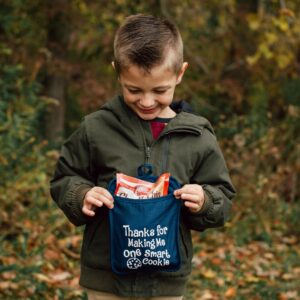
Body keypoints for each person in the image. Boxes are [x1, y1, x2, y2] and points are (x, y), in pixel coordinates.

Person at [50, 14, 236, 300]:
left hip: (166, 280)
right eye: (133, 90)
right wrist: (81, 194)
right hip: (105, 278)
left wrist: (205, 200)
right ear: (118, 72)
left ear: (180, 73)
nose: (147, 101)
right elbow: (65, 177)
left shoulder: (197, 136)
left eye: (160, 90)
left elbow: (222, 197)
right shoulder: (96, 128)